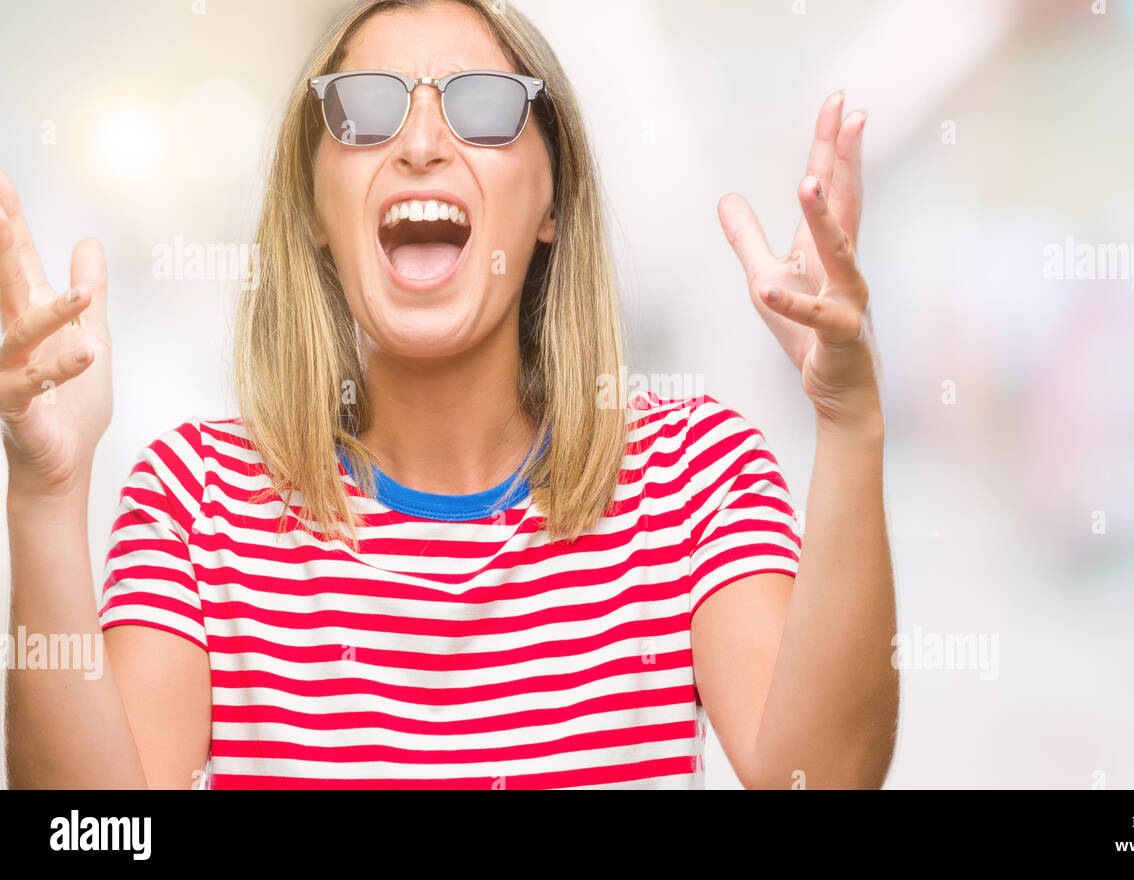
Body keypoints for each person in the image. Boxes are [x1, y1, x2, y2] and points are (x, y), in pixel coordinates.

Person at [1, 0, 896, 789]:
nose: (422, 144)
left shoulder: (696, 476)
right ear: (313, 207)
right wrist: (46, 499)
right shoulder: (195, 499)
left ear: (551, 204)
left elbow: (820, 779)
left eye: (480, 105)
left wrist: (850, 420)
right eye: (364, 110)